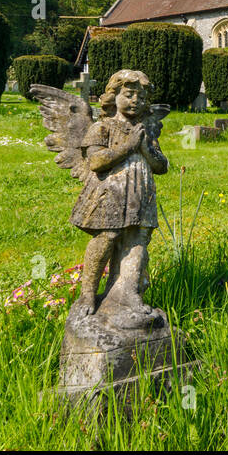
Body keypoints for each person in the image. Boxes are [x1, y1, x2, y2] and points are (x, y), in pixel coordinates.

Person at [71, 69, 168, 317]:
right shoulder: (102, 127)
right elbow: (96, 162)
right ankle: (88, 294)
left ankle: (128, 295)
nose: (135, 100)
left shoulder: (144, 130)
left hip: (140, 193)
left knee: (137, 243)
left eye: (141, 96)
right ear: (113, 96)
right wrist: (128, 146)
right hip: (110, 194)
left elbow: (162, 166)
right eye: (129, 94)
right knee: (107, 238)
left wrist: (145, 147)